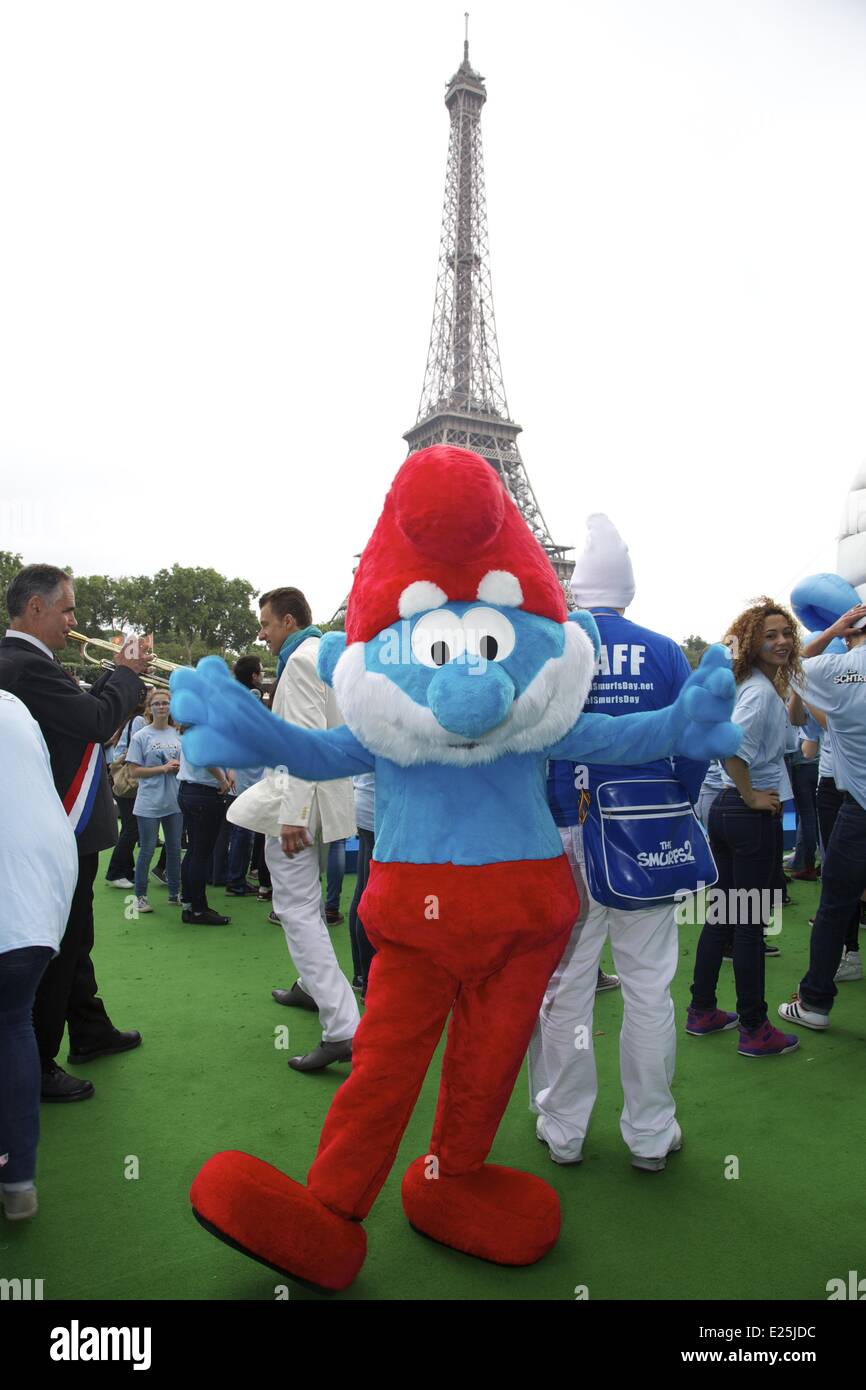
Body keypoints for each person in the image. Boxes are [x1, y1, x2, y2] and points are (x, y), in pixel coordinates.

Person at [531, 514, 708, 1169]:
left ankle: (565, 1127)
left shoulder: (557, 648)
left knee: (568, 984)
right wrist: (677, 800)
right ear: (629, 588)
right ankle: (651, 1133)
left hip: (566, 828)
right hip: (644, 832)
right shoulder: (665, 652)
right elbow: (693, 741)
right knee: (649, 987)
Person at [0, 565, 148, 1101]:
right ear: (34, 608)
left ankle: (89, 1029)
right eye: (67, 609)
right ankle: (38, 1062)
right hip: (59, 824)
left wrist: (116, 674)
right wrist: (127, 673)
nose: (74, 621)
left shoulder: (33, 664)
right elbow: (93, 722)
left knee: (76, 936)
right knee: (59, 944)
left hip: (66, 825)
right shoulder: (22, 666)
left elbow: (87, 711)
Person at [226, 586, 358, 1071]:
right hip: (327, 800)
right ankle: (311, 988)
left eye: (265, 625)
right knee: (308, 908)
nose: (262, 635)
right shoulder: (326, 656)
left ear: (286, 620)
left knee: (296, 910)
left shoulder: (301, 662)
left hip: (301, 803)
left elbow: (302, 742)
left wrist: (292, 817)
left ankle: (343, 1028)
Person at [689, 599, 801, 1057]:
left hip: (731, 814)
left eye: (785, 634)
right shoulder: (755, 691)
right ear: (752, 641)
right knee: (749, 926)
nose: (780, 642)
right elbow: (729, 746)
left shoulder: (753, 685)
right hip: (748, 814)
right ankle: (754, 1029)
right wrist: (754, 794)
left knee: (723, 916)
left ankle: (702, 1010)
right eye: (769, 635)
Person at [0, 692, 78, 1219]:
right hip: (42, 900)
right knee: (12, 1026)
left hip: (20, 896)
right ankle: (17, 1180)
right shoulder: (14, 707)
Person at [778, 603, 866, 1029]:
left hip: (859, 809)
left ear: (851, 634)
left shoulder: (844, 671)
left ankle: (814, 1003)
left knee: (834, 907)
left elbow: (792, 663)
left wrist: (831, 629)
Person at [125, 693, 183, 912]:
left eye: (165, 703)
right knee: (147, 849)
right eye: (157, 703)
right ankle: (140, 897)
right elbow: (134, 770)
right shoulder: (141, 736)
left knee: (175, 849)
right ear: (149, 708)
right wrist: (163, 769)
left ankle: (174, 893)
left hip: (175, 801)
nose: (161, 707)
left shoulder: (178, 734)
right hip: (149, 802)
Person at [177, 743, 234, 926]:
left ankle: (190, 905)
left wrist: (229, 772)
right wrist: (222, 778)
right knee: (200, 854)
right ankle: (198, 909)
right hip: (204, 793)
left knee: (194, 851)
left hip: (192, 791)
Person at [104, 689, 148, 888]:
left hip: (122, 778)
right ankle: (116, 872)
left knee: (131, 827)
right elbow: (138, 748)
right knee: (132, 828)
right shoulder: (138, 720)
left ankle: (125, 870)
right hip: (129, 779)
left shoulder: (130, 719)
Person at [347, 773, 376, 995]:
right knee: (370, 899)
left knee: (362, 894)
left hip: (366, 805)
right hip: (377, 810)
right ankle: (368, 981)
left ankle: (362, 976)